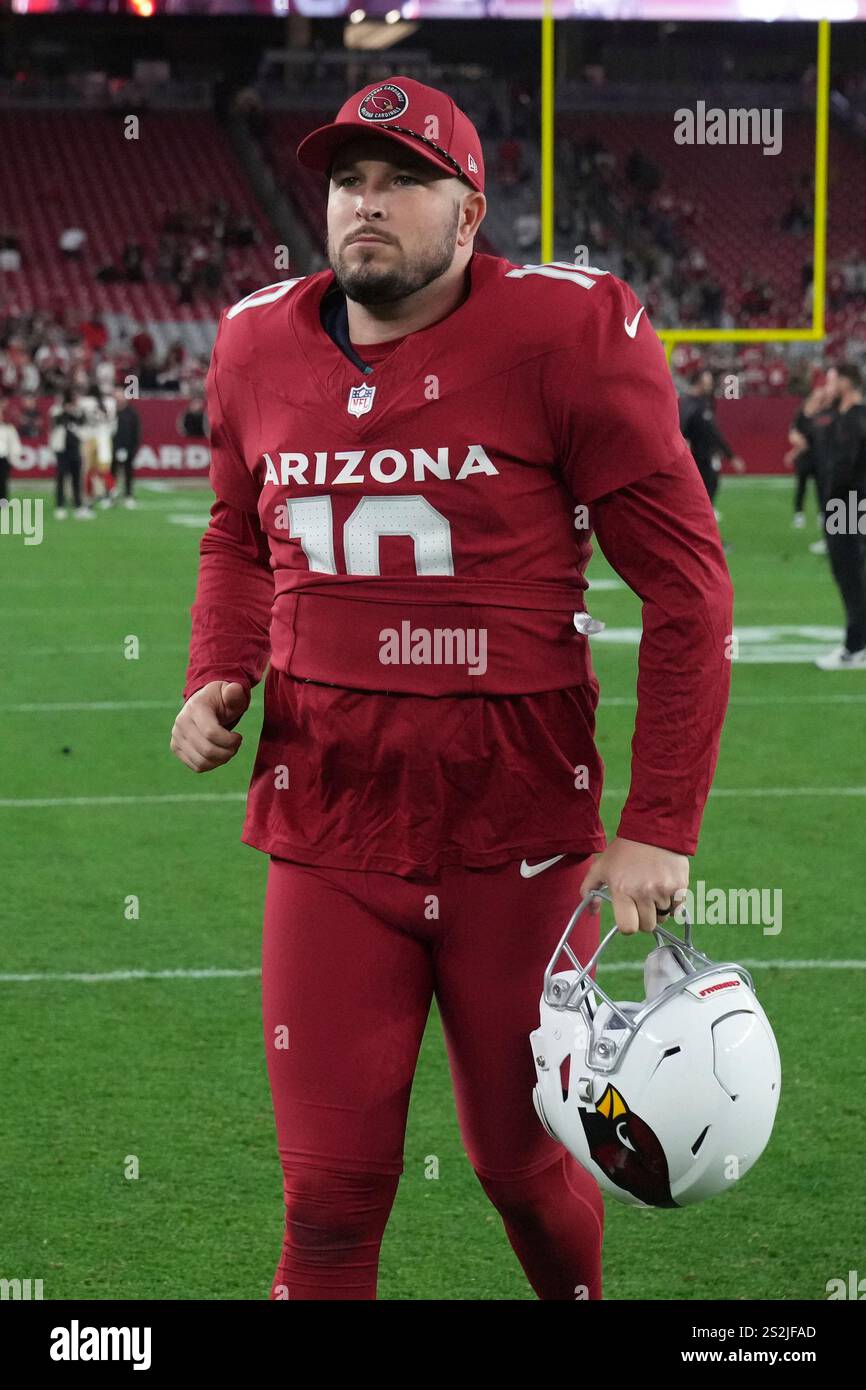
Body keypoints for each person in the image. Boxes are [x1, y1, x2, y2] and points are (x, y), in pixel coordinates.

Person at [170, 76, 733, 1302]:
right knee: (324, 1197)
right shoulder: (255, 338)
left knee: (521, 1167)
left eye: (402, 179)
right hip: (327, 829)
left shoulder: (568, 331)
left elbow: (686, 589)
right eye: (346, 180)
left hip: (516, 839)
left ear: (469, 213)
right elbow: (235, 532)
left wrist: (658, 825)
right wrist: (222, 667)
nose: (364, 202)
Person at [815, 363, 866, 670]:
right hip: (853, 503)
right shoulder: (857, 416)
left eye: (831, 382)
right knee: (854, 573)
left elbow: (843, 470)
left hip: (845, 505)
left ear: (846, 384)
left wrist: (829, 506)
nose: (826, 388)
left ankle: (855, 646)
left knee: (848, 575)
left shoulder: (849, 421)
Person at [678, 369, 746, 523]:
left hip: (708, 454)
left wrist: (729, 455)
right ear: (699, 382)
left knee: (711, 488)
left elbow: (714, 432)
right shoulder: (688, 404)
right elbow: (682, 428)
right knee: (699, 496)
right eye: (707, 382)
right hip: (696, 456)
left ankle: (708, 528)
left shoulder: (705, 402)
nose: (710, 386)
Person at [49, 388, 91, 519]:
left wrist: (74, 411)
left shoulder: (79, 410)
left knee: (77, 478)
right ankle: (59, 506)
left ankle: (78, 505)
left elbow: (83, 423)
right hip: (62, 449)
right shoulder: (57, 410)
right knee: (61, 477)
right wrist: (66, 410)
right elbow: (57, 422)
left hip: (75, 448)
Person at [111, 391, 141, 508]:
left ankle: (128, 495)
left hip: (128, 448)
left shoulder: (131, 413)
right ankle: (111, 496)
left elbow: (135, 432)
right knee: (112, 474)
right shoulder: (111, 412)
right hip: (113, 448)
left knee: (128, 473)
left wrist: (133, 448)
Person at [0, 397, 22, 502]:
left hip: (3, 459)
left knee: (3, 482)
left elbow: (15, 445)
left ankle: (3, 502)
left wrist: (13, 459)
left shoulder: (9, 428)